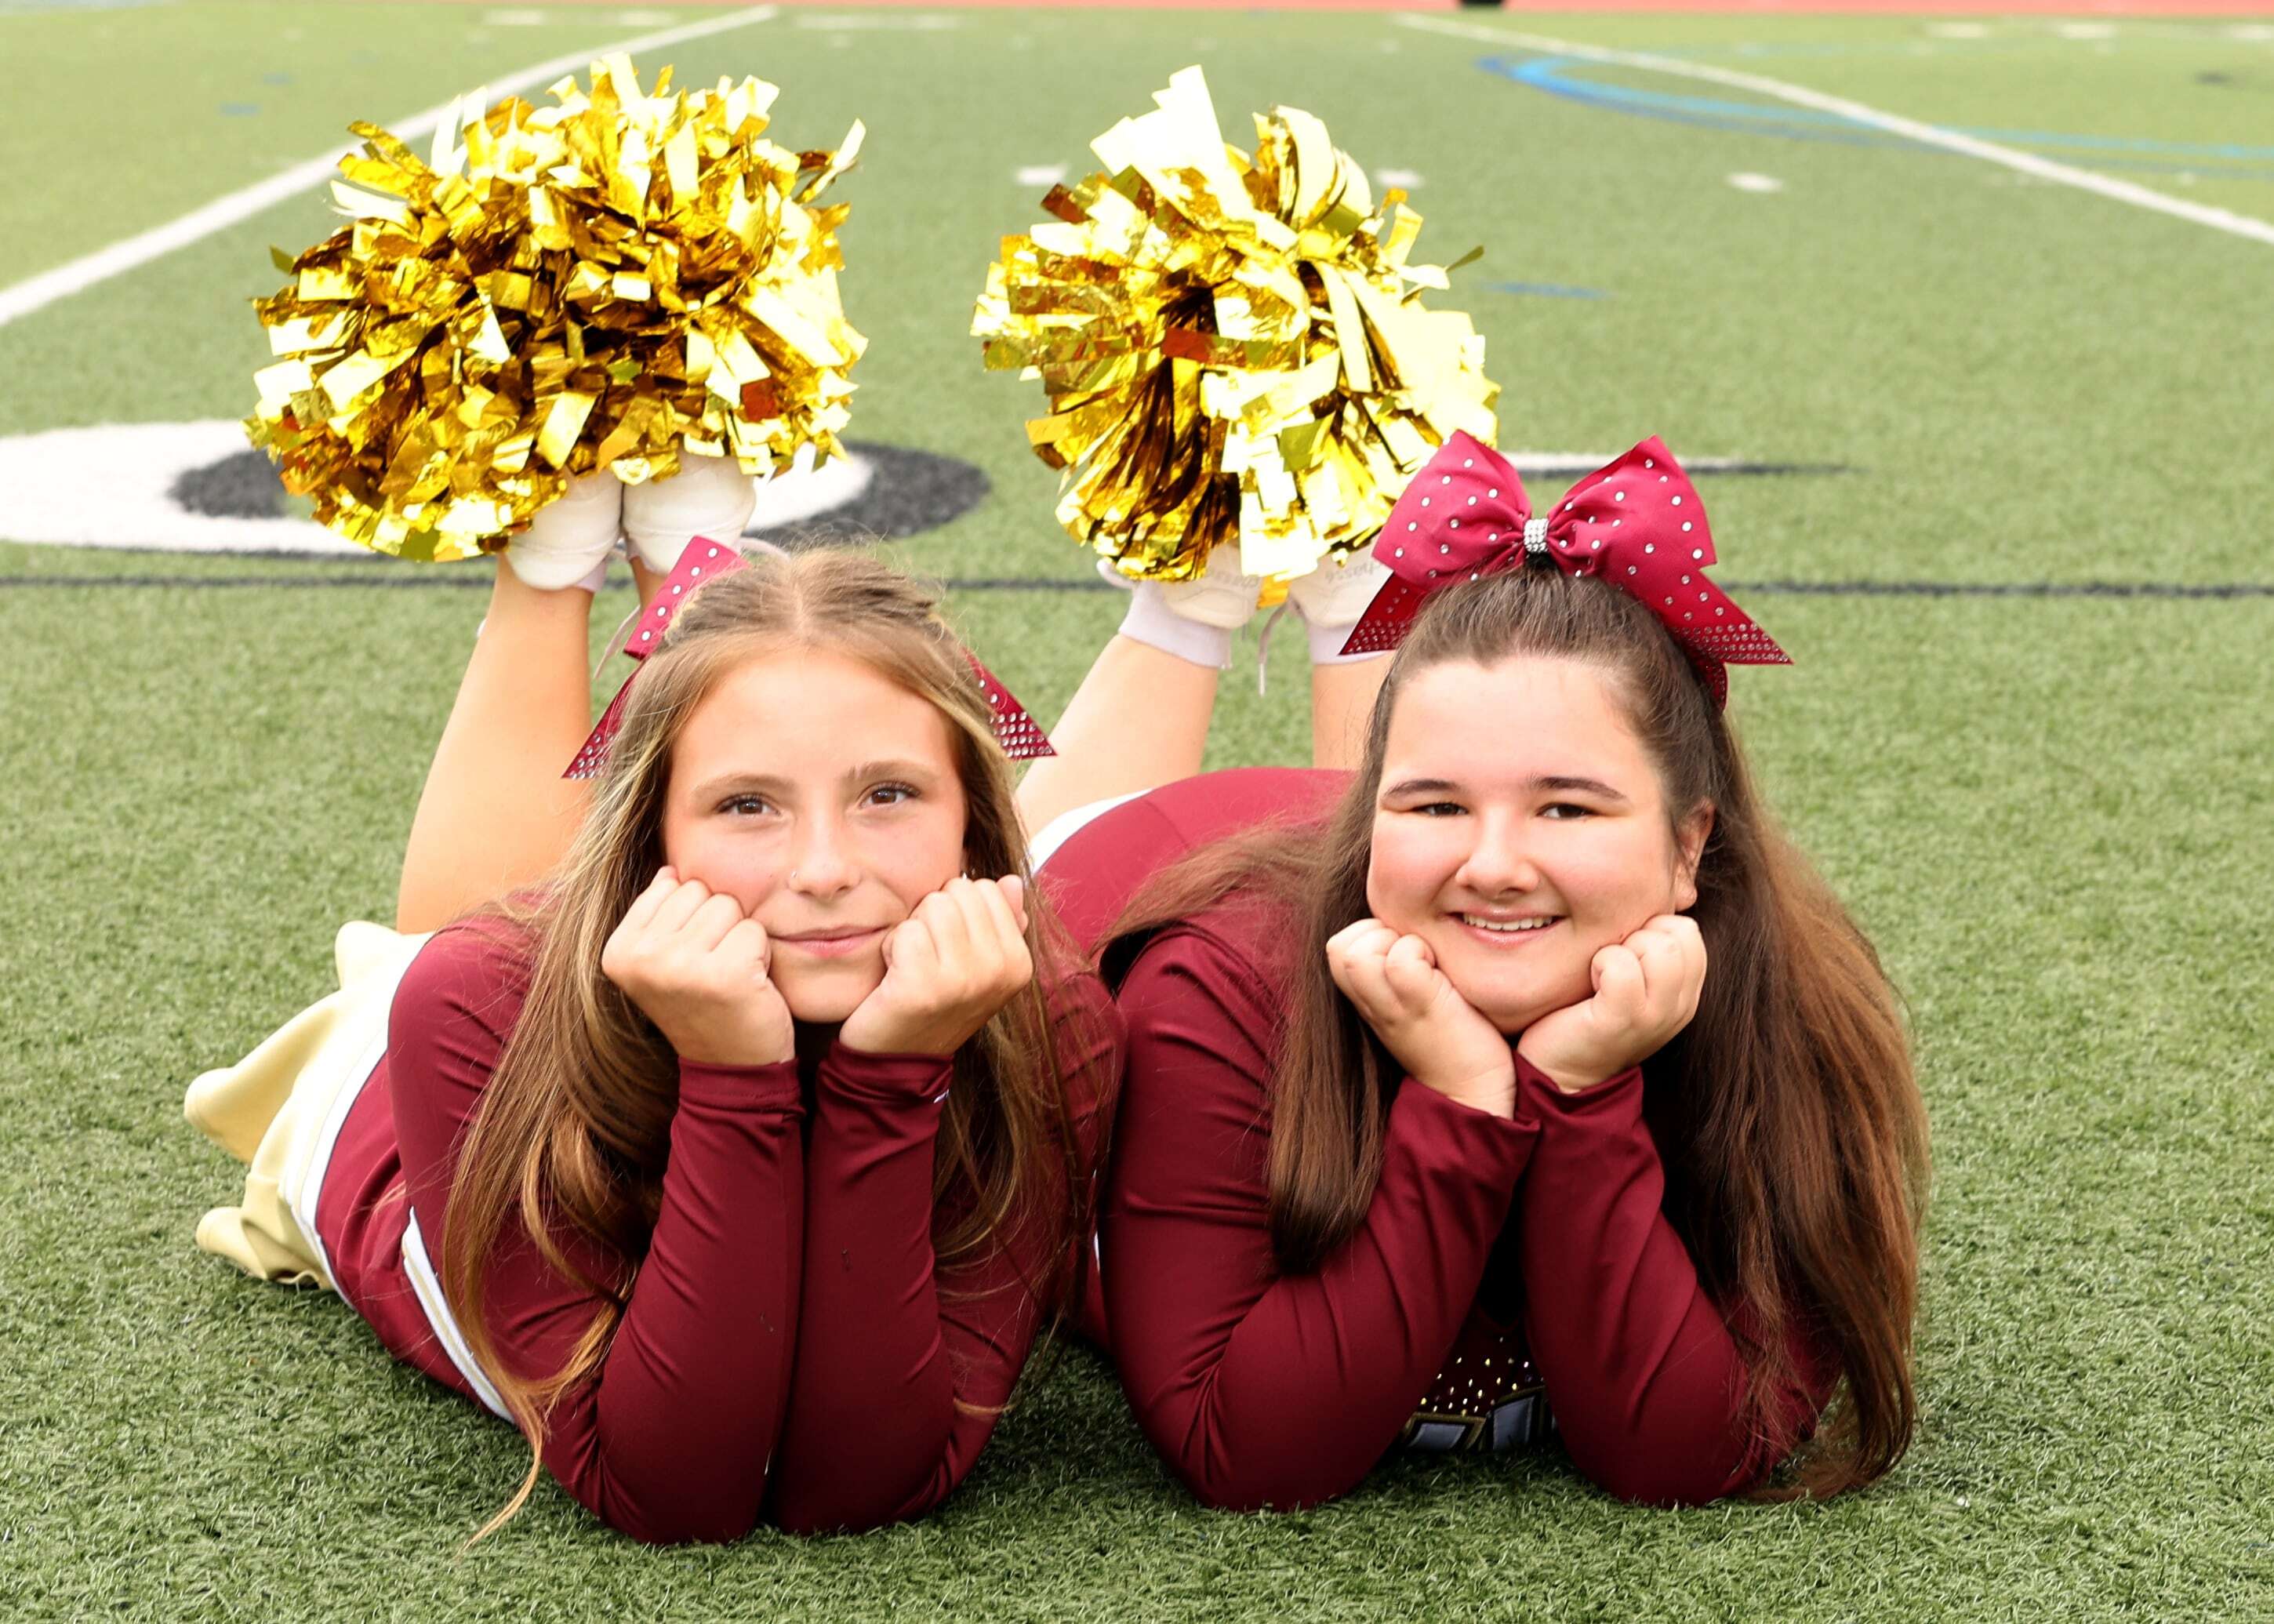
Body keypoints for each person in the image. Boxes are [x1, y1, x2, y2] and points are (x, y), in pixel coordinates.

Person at [186, 467, 1118, 1544]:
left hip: (617, 991)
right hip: (382, 1113)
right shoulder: (474, 1009)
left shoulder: (1058, 1019)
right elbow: (673, 1490)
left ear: (973, 819)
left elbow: (856, 1484)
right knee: (443, 952)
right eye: (746, 804)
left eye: (889, 794)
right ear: (652, 838)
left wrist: (894, 1075)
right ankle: (548, 556)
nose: (824, 868)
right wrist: (731, 1076)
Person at [1023, 431, 1929, 1511]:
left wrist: (1581, 1095)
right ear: (1377, 815)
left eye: (1568, 806)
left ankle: (1355, 641)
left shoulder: (1795, 994)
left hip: (1365, 874)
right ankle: (1188, 599)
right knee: (1006, 871)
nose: (1497, 863)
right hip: (1139, 862)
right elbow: (1240, 1449)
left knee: (1461, 854)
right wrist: (1460, 1108)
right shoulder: (1212, 991)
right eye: (1433, 800)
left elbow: (1689, 1449)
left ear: (1691, 845)